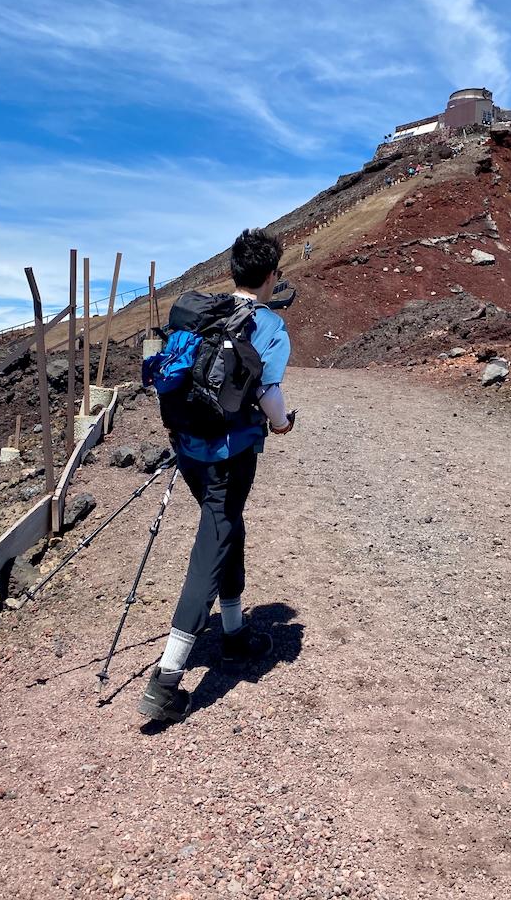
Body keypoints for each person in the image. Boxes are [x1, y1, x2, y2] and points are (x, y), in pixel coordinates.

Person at [138, 228, 294, 723]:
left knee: (227, 527)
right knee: (215, 538)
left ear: (233, 271)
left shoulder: (202, 313)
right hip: (233, 452)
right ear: (271, 276)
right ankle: (167, 678)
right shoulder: (269, 327)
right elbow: (268, 392)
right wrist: (283, 423)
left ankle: (232, 634)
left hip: (188, 449)